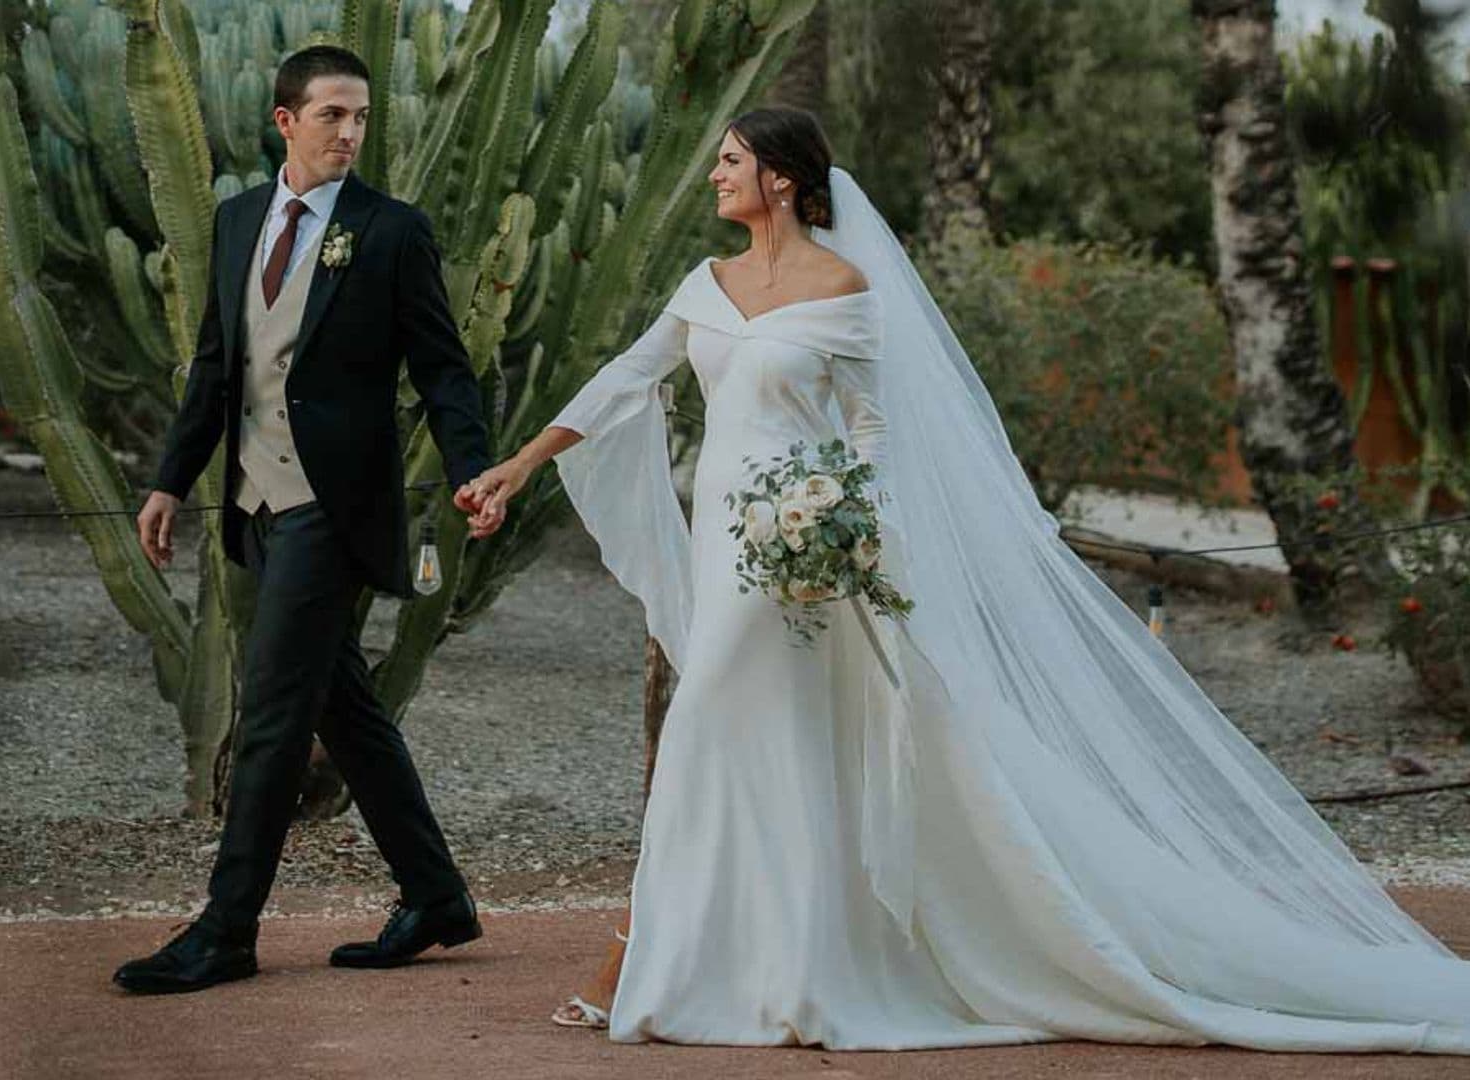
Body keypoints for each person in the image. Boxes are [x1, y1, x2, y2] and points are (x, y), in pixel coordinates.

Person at [460, 106, 1470, 1052]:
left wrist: (841, 521)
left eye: (731, 160)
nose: (715, 174)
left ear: (778, 178)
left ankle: (651, 959)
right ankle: (757, 959)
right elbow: (627, 377)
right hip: (727, 540)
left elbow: (870, 427)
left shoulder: (843, 290)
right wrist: (518, 465)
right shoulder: (707, 285)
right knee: (753, 742)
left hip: (805, 548)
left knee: (711, 730)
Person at [117, 44, 490, 994]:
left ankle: (226, 929)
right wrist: (170, 480)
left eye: (361, 117)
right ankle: (437, 896)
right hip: (255, 502)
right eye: (332, 115)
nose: (351, 133)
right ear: (285, 120)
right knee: (346, 711)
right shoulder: (239, 221)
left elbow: (444, 368)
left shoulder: (391, 232)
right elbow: (216, 366)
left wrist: (473, 471)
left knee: (275, 712)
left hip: (333, 504)